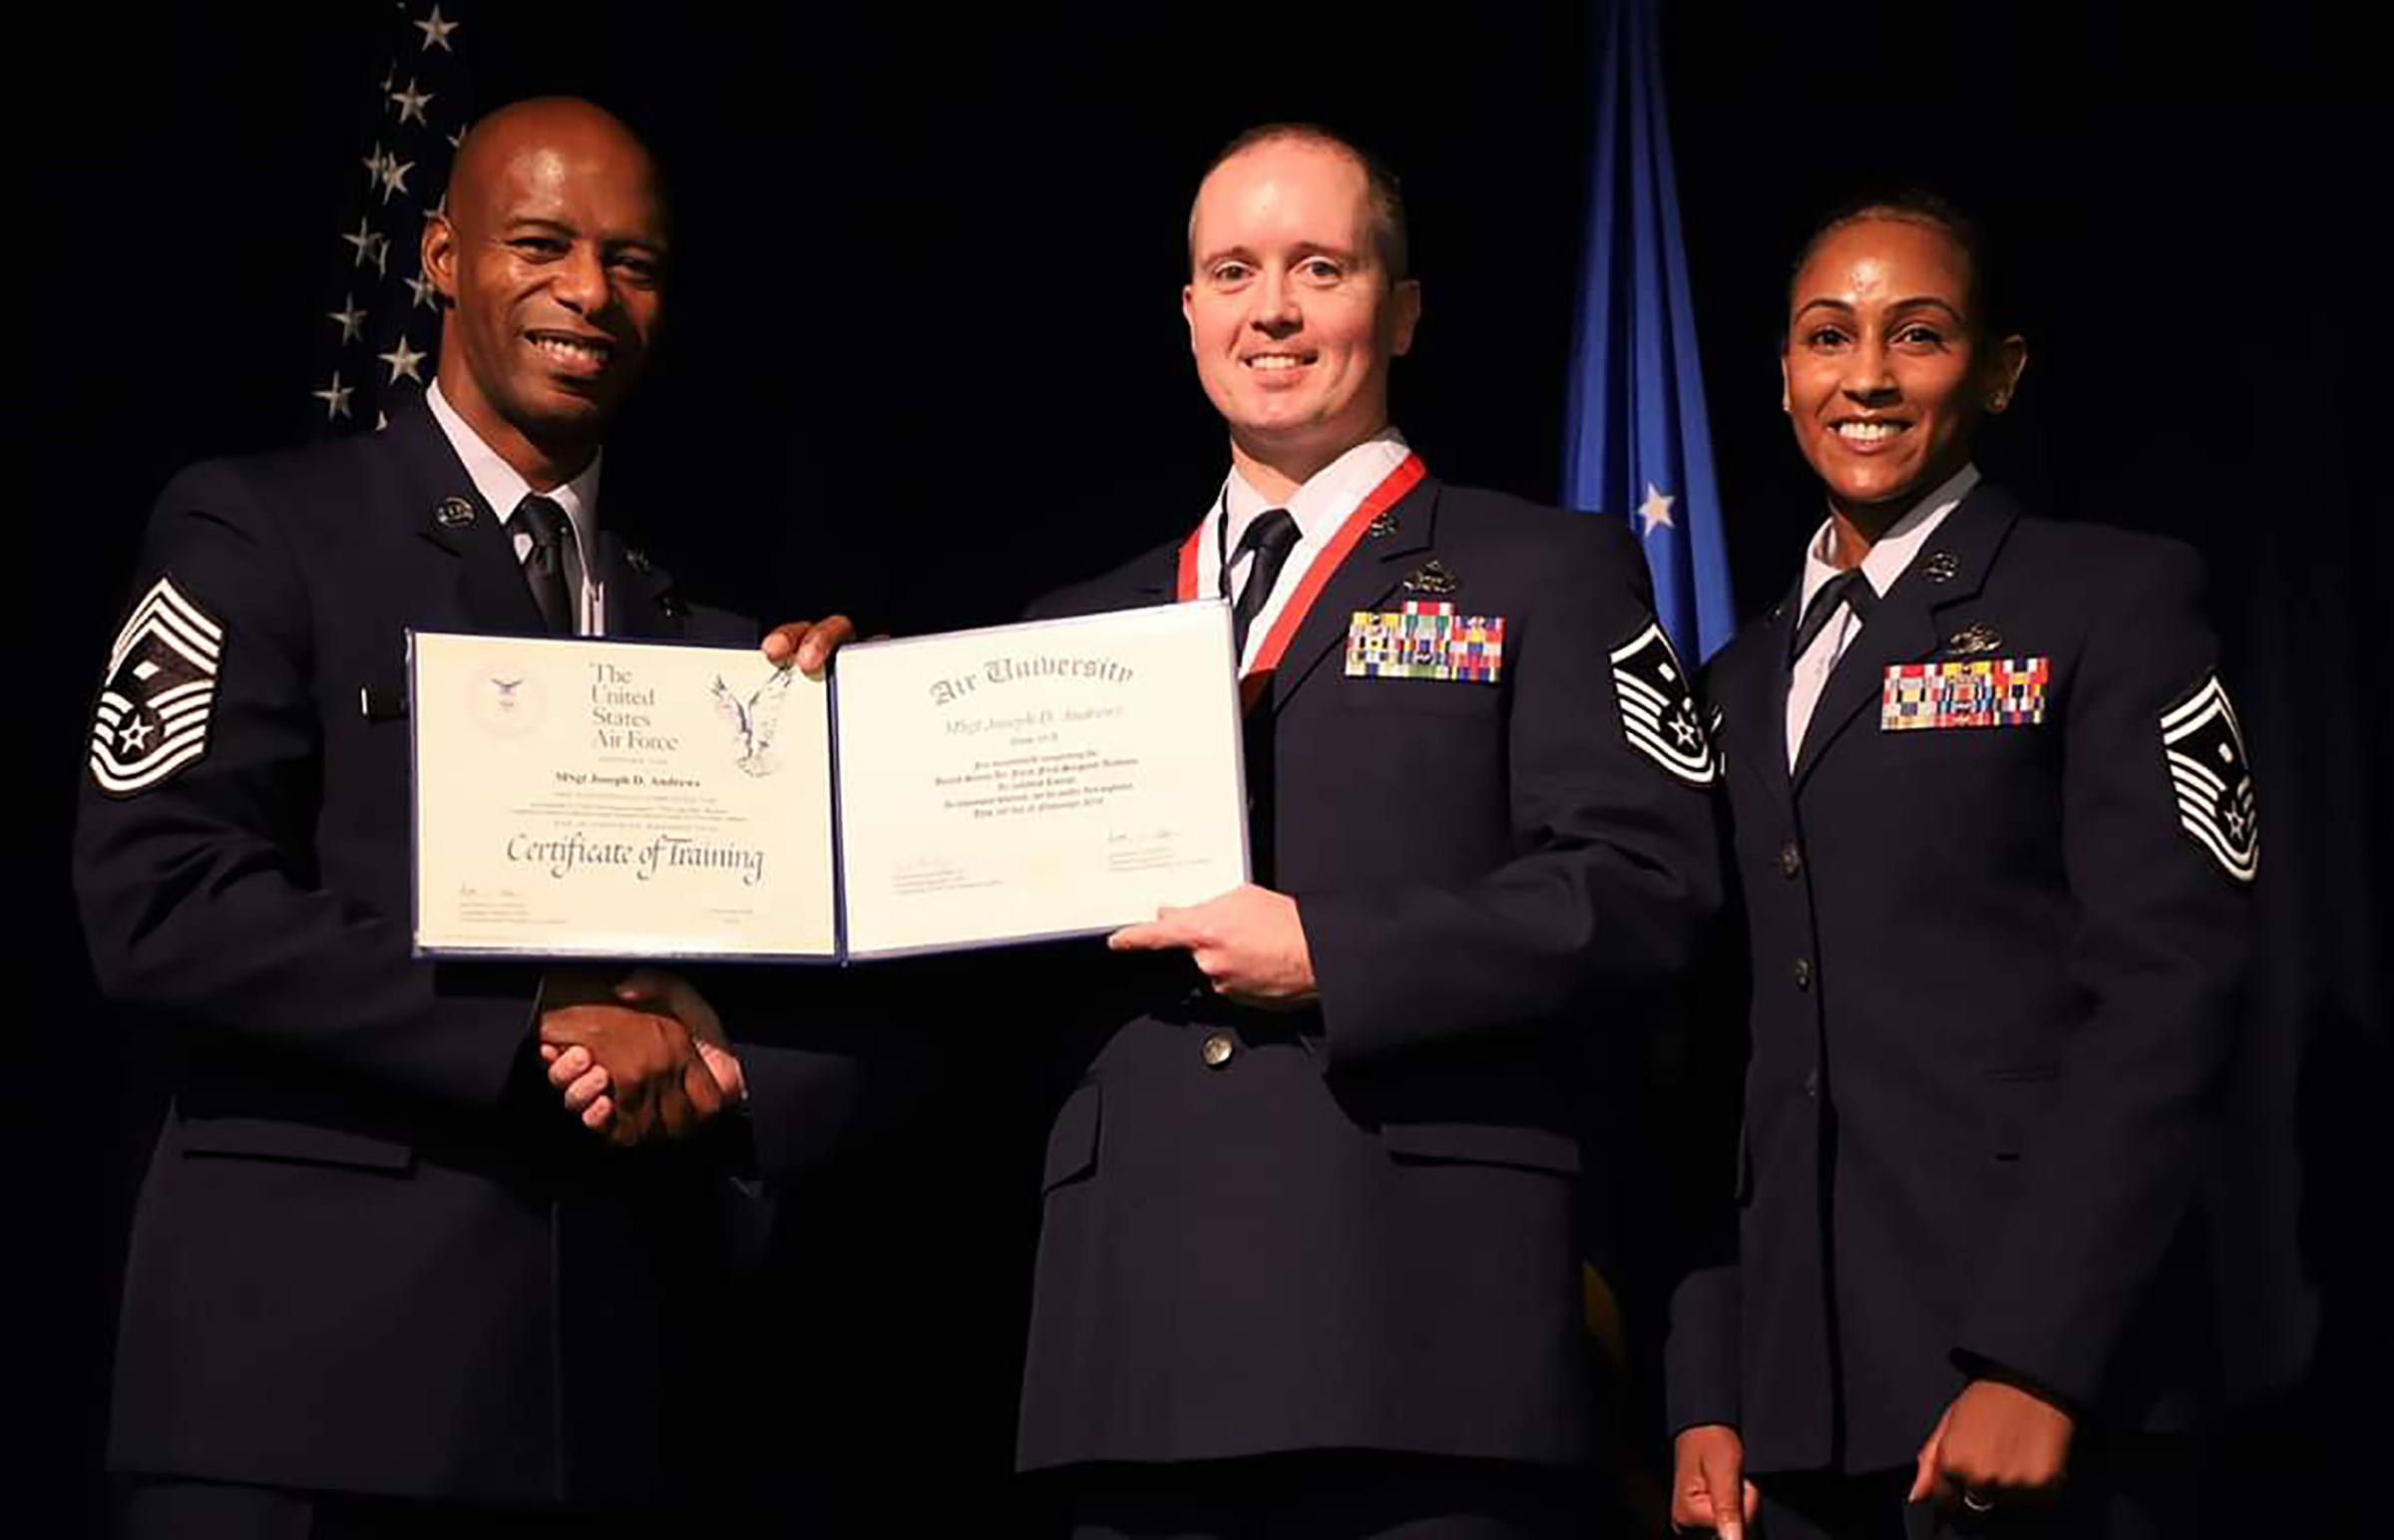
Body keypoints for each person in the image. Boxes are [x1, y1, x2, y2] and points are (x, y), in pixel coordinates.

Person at [76, 97, 854, 1538]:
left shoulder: (723, 641)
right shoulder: (257, 529)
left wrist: (850, 769)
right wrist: (531, 1022)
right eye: (542, 244)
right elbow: (162, 899)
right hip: (297, 1397)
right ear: (442, 255)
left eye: (633, 262)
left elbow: (823, 1002)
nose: (587, 294)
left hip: (612, 1412)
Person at [1011, 123, 1723, 1538]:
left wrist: (1333, 951)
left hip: (1422, 1331)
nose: (1271, 308)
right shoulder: (1064, 633)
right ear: (1190, 313)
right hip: (1135, 1348)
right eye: (1233, 271)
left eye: (1317, 266)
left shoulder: (1552, 569)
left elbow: (1652, 888)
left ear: (1399, 307)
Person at [1665, 192, 2255, 1540]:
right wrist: (1708, 1384)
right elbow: (1702, 1068)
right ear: (1783, 375)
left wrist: (2036, 1356)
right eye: (1828, 336)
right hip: (1788, 1428)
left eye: (1916, 335)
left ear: (1999, 368)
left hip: (2032, 1397)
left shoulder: (2110, 602)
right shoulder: (1732, 681)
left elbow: (2171, 993)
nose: (1864, 376)